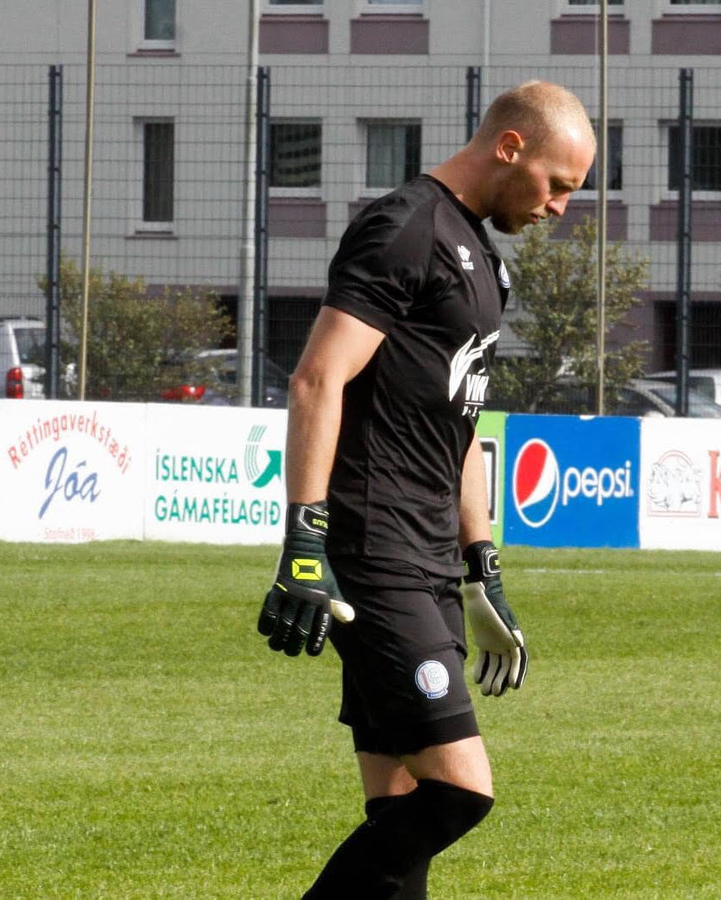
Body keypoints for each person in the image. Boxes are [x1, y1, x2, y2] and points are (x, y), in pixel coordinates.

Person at [255, 81, 596, 899]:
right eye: (557, 185)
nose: (558, 209)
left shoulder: (484, 264)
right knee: (459, 789)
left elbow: (461, 432)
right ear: (509, 146)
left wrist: (483, 566)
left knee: (399, 815)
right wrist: (305, 540)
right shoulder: (404, 227)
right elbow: (316, 379)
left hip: (428, 557)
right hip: (374, 550)